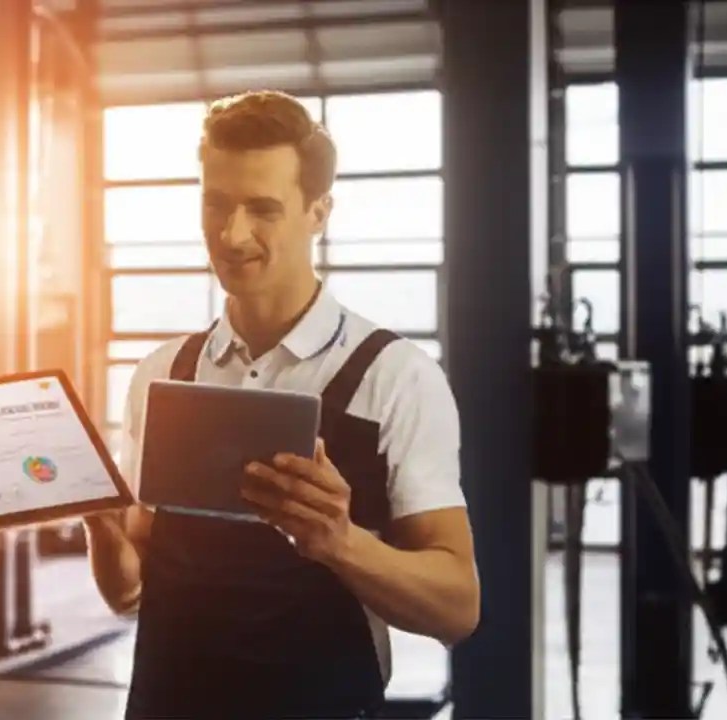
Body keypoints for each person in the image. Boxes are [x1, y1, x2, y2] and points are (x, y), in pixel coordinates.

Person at [84, 91, 480, 719]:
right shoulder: (164, 375)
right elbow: (131, 593)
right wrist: (101, 527)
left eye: (263, 209)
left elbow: (457, 610)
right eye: (215, 202)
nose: (231, 234)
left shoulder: (396, 379)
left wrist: (342, 542)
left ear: (319, 212)